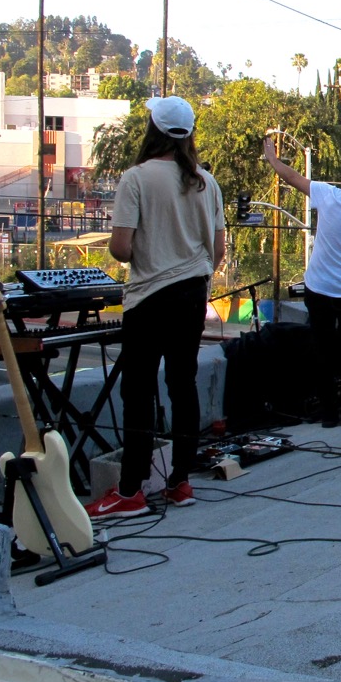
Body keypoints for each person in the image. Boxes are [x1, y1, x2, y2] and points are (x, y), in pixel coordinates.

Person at [85, 97, 225, 520]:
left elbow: (122, 248)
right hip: (192, 293)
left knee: (139, 392)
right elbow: (217, 251)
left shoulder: (136, 178)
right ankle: (180, 481)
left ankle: (130, 490)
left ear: (154, 131)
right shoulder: (206, 181)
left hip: (149, 298)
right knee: (183, 386)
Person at [264, 138, 341, 428]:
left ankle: (328, 413)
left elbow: (293, 177)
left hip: (318, 287)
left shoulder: (329, 195)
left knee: (322, 350)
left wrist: (272, 159)